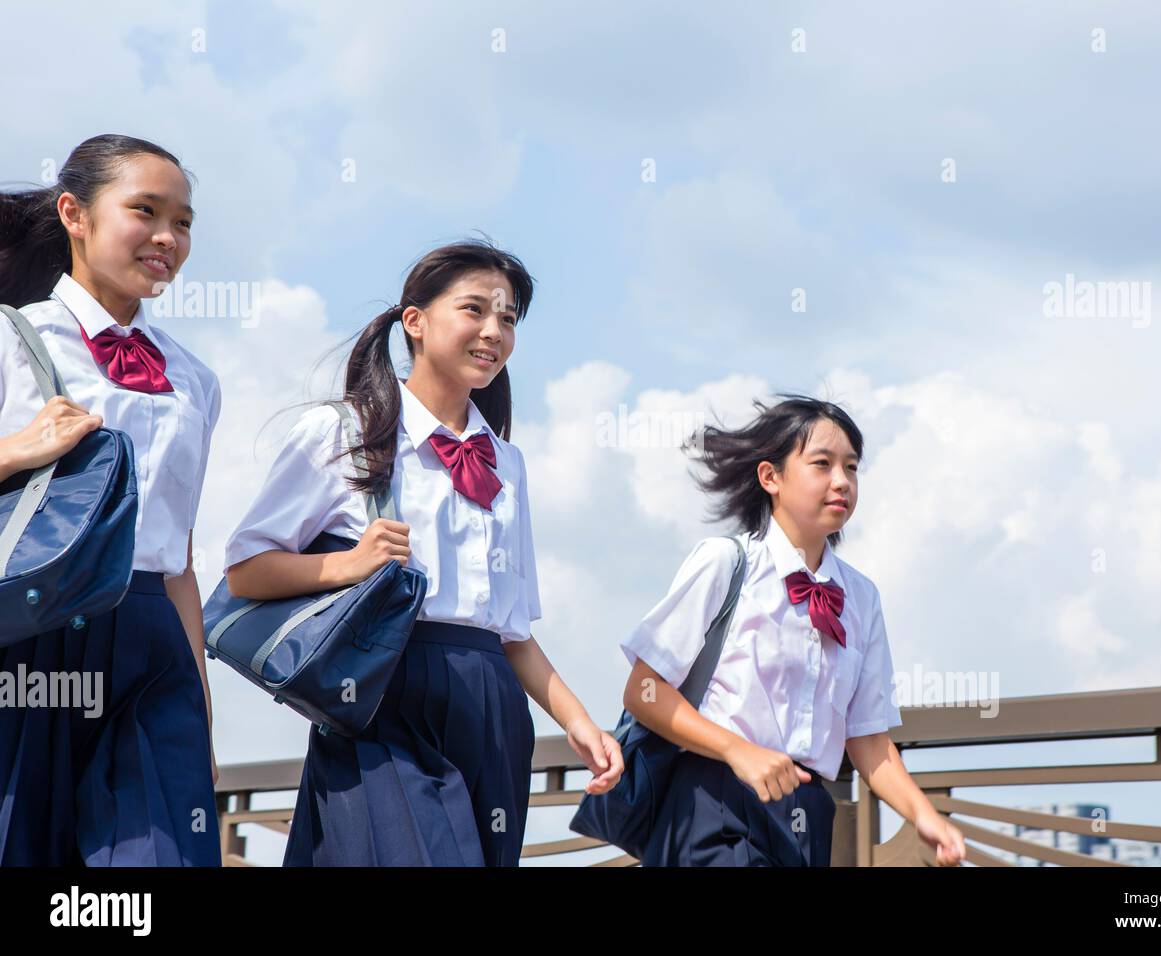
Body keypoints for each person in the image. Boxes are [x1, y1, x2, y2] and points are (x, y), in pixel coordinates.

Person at [223, 239, 623, 865]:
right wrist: (348, 565)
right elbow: (245, 572)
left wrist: (579, 724)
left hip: (492, 704)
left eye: (509, 318)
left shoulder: (506, 463)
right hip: (383, 692)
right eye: (474, 310)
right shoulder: (342, 432)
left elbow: (513, 632)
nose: (493, 331)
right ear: (414, 321)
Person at [621, 394, 966, 866]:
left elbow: (867, 739)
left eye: (851, 467)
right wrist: (738, 750)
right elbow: (643, 689)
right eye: (822, 464)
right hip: (714, 800)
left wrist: (922, 815)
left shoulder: (861, 597)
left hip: (808, 817)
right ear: (771, 477)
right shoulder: (725, 563)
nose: (841, 481)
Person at [0, 134, 221, 866]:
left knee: (156, 860)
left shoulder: (195, 379)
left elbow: (180, 558)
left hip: (152, 637)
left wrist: (202, 708)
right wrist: (15, 451)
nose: (168, 238)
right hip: (31, 631)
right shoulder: (10, 336)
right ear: (75, 213)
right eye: (146, 211)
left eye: (183, 222)